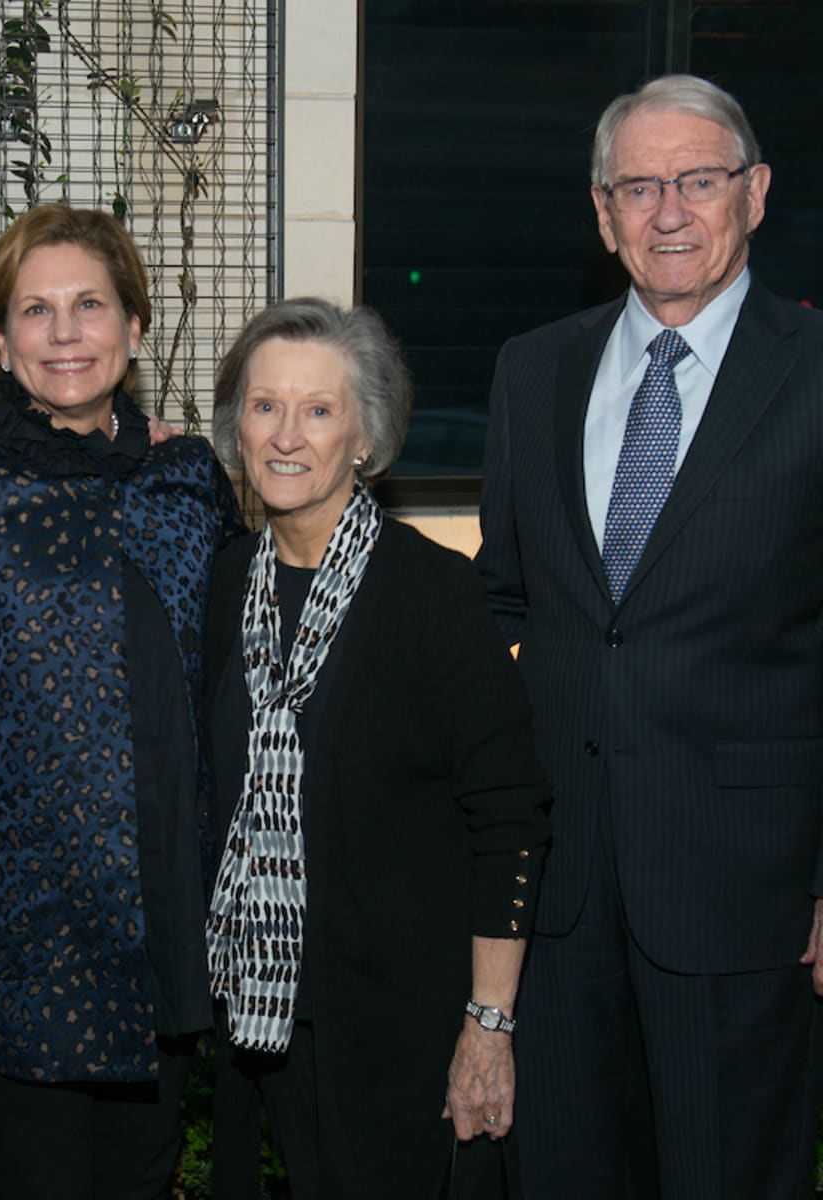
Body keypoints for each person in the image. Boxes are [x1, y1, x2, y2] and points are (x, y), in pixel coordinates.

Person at [476, 74, 823, 1200]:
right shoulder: (533, 371)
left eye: (699, 180)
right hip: (559, 895)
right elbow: (505, 607)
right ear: (602, 212)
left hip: (748, 893)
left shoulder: (815, 372)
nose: (668, 209)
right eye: (639, 186)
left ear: (755, 193)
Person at [0, 202, 245, 1199]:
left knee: (144, 1179)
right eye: (35, 311)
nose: (67, 330)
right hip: (18, 934)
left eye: (90, 304)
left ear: (134, 326)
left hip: (162, 923)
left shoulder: (187, 478)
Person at [203, 297, 551, 1199]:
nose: (287, 435)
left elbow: (511, 816)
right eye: (264, 406)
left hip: (410, 1021)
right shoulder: (222, 583)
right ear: (237, 427)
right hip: (269, 1012)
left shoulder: (434, 592)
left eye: (319, 410)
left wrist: (488, 1024)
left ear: (365, 436)